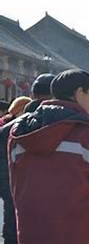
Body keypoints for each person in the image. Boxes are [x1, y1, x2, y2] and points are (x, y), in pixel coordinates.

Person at [7, 69, 89, 244]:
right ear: (79, 92)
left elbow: (15, 184)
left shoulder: (19, 133)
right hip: (81, 232)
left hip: (32, 231)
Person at [0, 74, 54, 244]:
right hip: (52, 208)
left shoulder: (8, 129)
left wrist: (9, 195)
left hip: (14, 201)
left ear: (32, 94)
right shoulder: (67, 126)